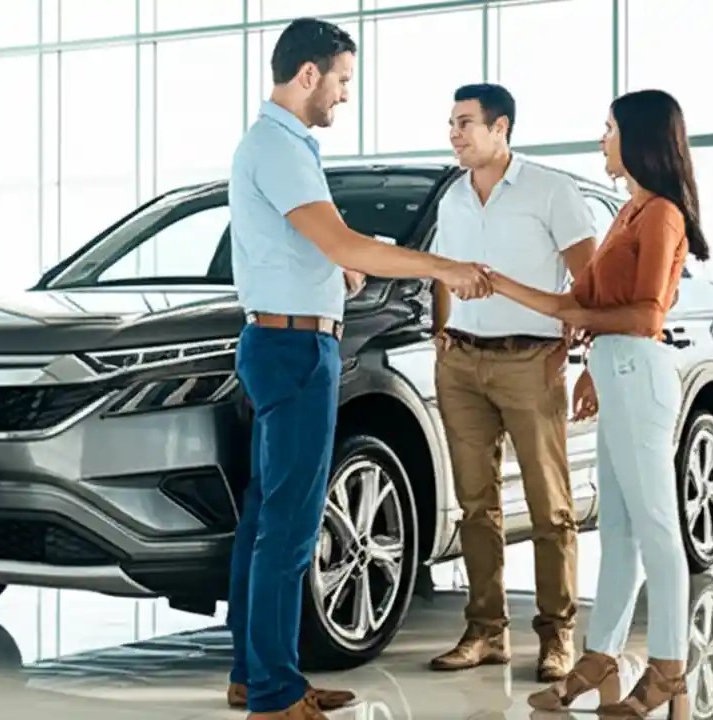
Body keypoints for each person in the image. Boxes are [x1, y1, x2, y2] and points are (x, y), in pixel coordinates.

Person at [225, 17, 491, 720]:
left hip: (284, 340)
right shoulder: (278, 148)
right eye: (342, 79)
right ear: (307, 75)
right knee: (290, 524)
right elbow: (340, 239)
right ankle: (276, 695)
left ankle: (254, 676)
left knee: (264, 516)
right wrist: (444, 267)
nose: (345, 94)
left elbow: (315, 244)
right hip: (293, 350)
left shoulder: (283, 147)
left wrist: (335, 267)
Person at [488, 88, 707, 717]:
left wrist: (585, 329)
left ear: (638, 138)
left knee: (658, 530)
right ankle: (602, 655)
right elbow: (571, 304)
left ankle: (668, 667)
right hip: (617, 371)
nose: (601, 139)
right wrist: (497, 282)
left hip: (640, 370)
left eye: (609, 128)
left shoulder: (663, 213)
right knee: (617, 532)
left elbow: (643, 315)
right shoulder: (629, 212)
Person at [428, 83, 598, 682]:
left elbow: (591, 282)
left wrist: (578, 350)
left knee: (550, 507)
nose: (454, 133)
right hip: (462, 365)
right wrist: (440, 332)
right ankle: (485, 632)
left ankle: (558, 637)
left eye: (465, 122)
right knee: (476, 506)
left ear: (501, 129)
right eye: (451, 123)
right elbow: (442, 274)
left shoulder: (552, 190)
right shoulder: (452, 198)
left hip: (531, 363)